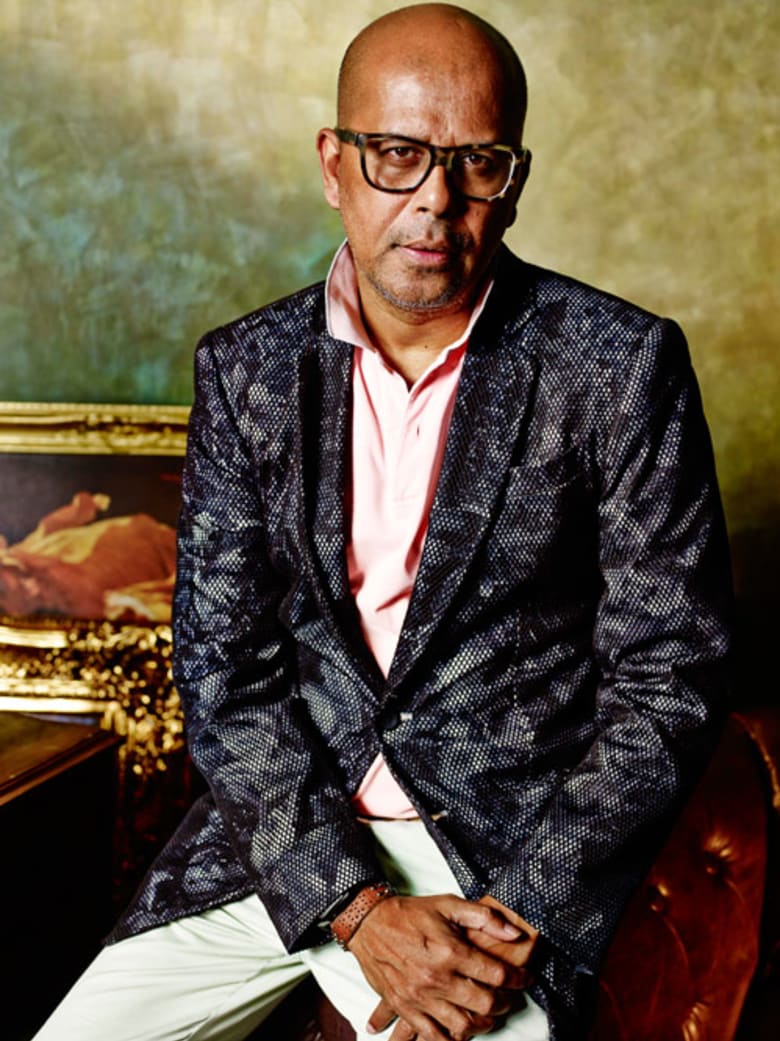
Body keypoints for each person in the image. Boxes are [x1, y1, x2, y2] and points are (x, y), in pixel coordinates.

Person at [33, 4, 733, 1041]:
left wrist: (524, 919)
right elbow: (223, 665)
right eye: (397, 155)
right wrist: (352, 906)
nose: (434, 201)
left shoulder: (618, 366)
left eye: (477, 164)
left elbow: (669, 675)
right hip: (287, 837)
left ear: (514, 181)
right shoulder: (247, 369)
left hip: (501, 856)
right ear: (335, 164)